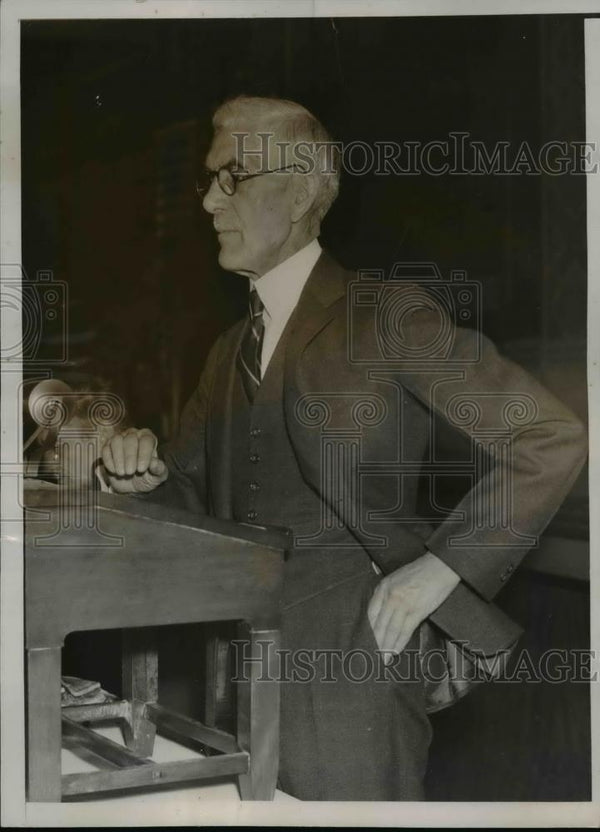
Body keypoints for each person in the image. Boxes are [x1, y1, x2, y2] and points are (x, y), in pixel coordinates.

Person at [101, 95, 587, 800]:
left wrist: (442, 568)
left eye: (230, 176)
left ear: (298, 192)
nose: (209, 200)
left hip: (354, 672)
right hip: (231, 672)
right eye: (206, 181)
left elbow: (551, 435)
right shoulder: (225, 351)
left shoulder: (387, 316)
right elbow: (188, 494)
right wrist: (137, 474)